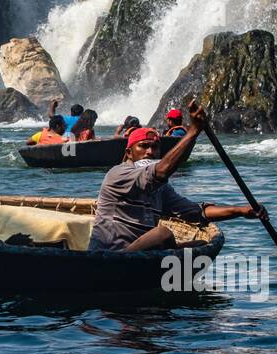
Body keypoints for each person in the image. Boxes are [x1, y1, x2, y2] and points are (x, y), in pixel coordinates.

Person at [89, 102, 265, 252]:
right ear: (129, 153)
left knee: (200, 245)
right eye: (143, 146)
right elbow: (162, 172)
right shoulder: (119, 174)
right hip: (111, 254)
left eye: (155, 147)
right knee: (162, 233)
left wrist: (242, 211)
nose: (150, 152)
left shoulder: (160, 188)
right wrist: (194, 131)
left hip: (139, 254)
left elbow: (198, 212)